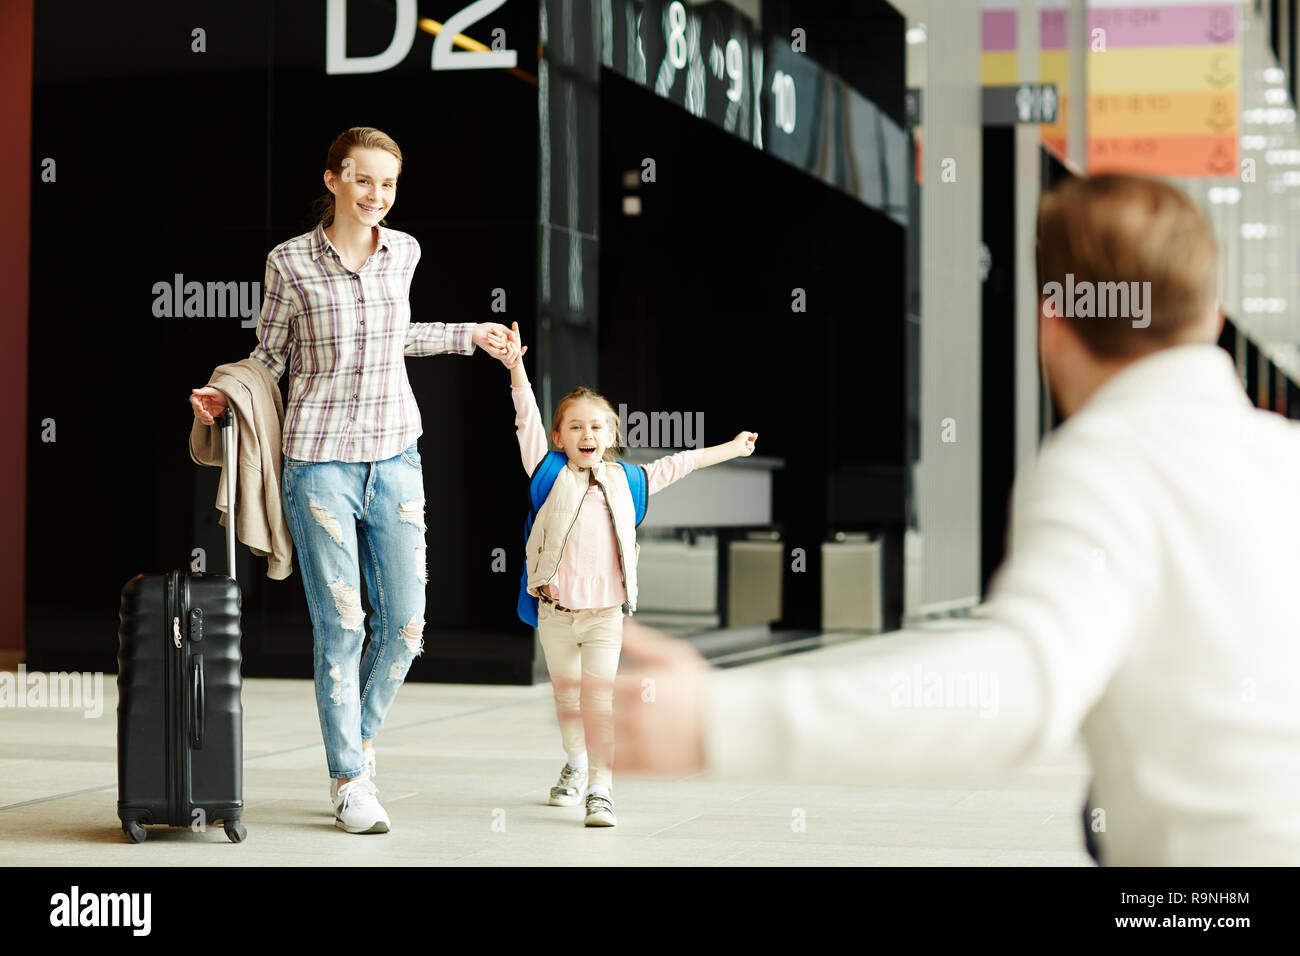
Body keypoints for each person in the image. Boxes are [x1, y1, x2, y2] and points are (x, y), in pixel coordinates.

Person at [612, 173, 1300, 864]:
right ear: (1211, 316)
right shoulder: (1285, 455)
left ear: (1050, 323)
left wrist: (721, 721)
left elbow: (1019, 686)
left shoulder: (1107, 459)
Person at [189, 126, 517, 834]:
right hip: (320, 463)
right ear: (334, 178)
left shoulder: (405, 252)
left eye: (389, 184)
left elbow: (394, 334)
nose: (377, 196)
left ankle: (358, 744)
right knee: (342, 625)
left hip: (397, 455)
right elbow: (270, 357)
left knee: (404, 626)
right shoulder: (290, 262)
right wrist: (226, 396)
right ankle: (348, 778)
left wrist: (469, 335)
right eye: (363, 180)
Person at [503, 321, 756, 826]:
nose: (586, 434)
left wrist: (731, 448)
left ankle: (601, 787)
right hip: (556, 614)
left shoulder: (630, 480)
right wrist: (516, 367)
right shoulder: (547, 472)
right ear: (558, 438)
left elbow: (681, 464)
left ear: (613, 435)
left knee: (599, 701)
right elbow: (525, 417)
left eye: (597, 426)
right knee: (567, 699)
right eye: (574, 427)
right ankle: (575, 765)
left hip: (604, 617)